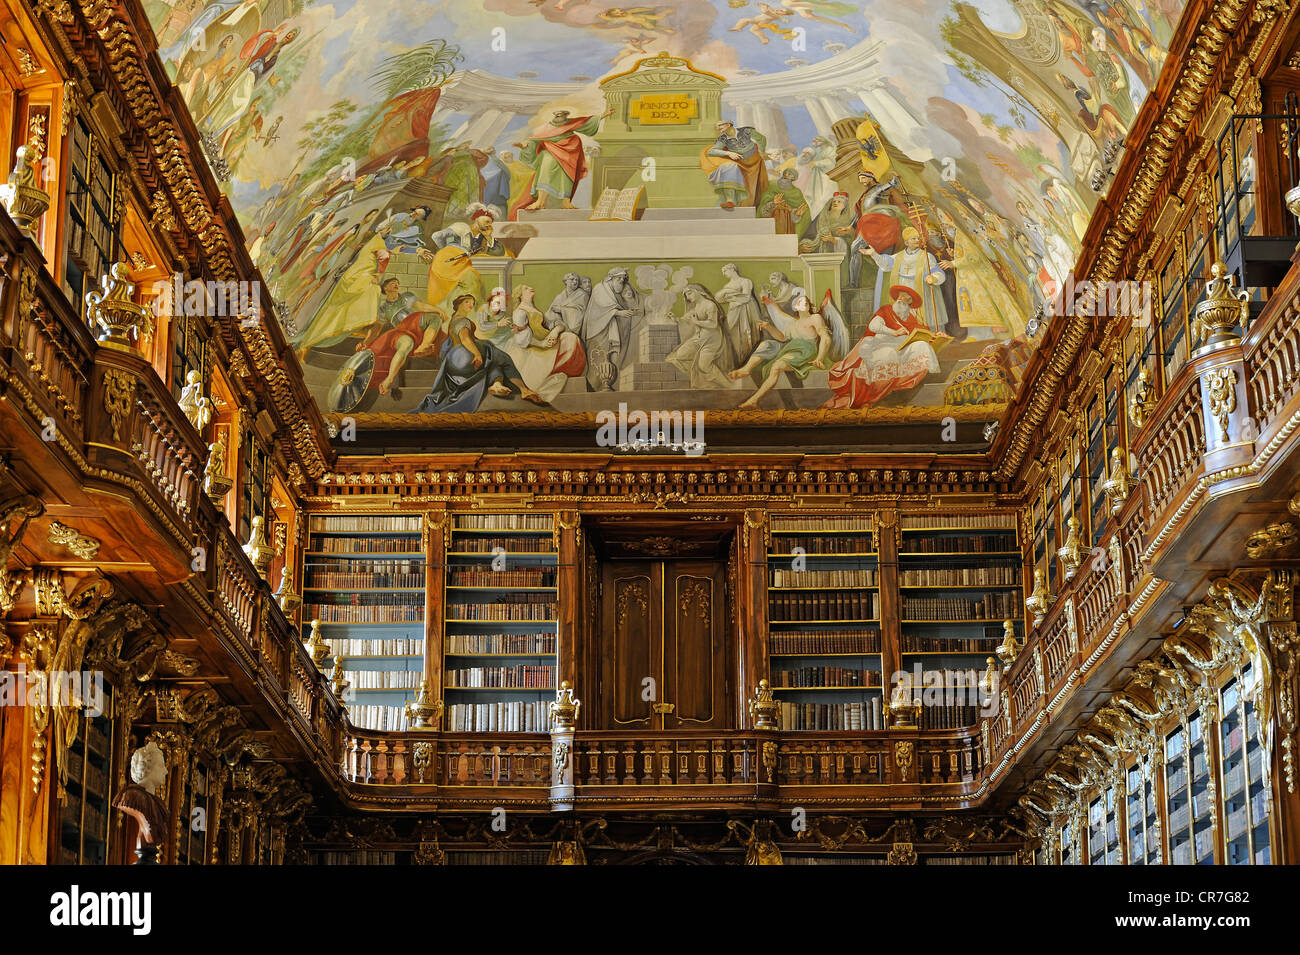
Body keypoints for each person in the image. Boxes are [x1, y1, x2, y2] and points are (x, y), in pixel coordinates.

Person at [413, 294, 544, 413]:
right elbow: (465, 338)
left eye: (472, 303)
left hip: (455, 362)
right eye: (467, 302)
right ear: (458, 304)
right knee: (502, 357)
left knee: (493, 363)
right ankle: (523, 389)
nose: (470, 305)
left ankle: (496, 384)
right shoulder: (461, 321)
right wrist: (476, 353)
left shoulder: (454, 319)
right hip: (464, 355)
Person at [822, 286, 942, 408]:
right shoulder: (886, 310)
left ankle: (904, 383)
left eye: (906, 298)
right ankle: (882, 391)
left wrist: (935, 335)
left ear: (910, 303)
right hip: (878, 346)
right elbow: (873, 326)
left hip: (901, 348)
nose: (901, 299)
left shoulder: (910, 317)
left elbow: (921, 330)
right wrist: (893, 332)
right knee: (890, 354)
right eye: (900, 296)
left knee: (922, 346)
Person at [731, 288, 834, 408]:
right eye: (800, 301)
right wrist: (768, 327)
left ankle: (754, 400)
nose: (804, 302)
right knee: (767, 344)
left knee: (777, 366)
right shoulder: (793, 324)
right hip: (790, 348)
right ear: (795, 306)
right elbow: (782, 338)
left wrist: (819, 358)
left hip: (805, 351)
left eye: (806, 301)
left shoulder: (815, 318)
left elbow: (825, 338)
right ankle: (746, 369)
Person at [356, 277, 446, 397]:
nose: (397, 285)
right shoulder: (383, 309)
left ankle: (423, 346)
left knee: (435, 318)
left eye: (398, 283)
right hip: (402, 331)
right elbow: (376, 329)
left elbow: (421, 307)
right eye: (393, 283)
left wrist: (438, 310)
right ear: (385, 288)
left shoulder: (406, 297)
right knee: (406, 344)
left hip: (415, 325)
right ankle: (390, 379)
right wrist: (366, 342)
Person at [512, 108, 613, 212]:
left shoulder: (570, 123)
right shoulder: (547, 127)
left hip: (569, 152)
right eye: (556, 115)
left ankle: (566, 202)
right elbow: (534, 139)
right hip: (551, 151)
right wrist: (524, 146)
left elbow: (585, 122)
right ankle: (540, 201)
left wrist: (603, 116)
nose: (558, 117)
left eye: (560, 115)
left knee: (567, 175)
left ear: (565, 116)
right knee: (547, 166)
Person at [501, 285, 586, 402]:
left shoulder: (534, 308)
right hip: (532, 347)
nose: (530, 288)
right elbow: (521, 339)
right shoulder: (519, 311)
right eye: (525, 288)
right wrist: (541, 344)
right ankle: (548, 377)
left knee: (570, 338)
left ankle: (556, 370)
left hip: (545, 341)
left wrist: (555, 332)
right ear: (520, 295)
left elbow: (553, 325)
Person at [862, 226, 950, 335]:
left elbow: (938, 273)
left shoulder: (927, 256)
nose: (917, 240)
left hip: (922, 290)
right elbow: (885, 265)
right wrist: (873, 254)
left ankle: (930, 337)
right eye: (913, 239)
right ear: (906, 242)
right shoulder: (899, 256)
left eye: (918, 238)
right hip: (904, 290)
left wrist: (934, 278)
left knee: (926, 318)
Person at [580, 267, 643, 390]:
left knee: (611, 360)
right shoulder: (600, 289)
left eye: (623, 278)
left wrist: (628, 312)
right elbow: (602, 308)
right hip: (598, 332)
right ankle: (596, 388)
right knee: (598, 362)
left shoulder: (615, 291)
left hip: (610, 331)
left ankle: (608, 385)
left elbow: (620, 307)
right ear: (610, 278)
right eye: (618, 278)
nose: (621, 281)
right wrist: (619, 313)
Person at [848, 169, 910, 287]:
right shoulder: (864, 196)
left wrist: (895, 178)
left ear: (871, 178)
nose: (861, 181)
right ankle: (853, 283)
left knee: (857, 247)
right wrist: (850, 226)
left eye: (864, 178)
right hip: (869, 221)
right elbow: (860, 212)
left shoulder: (878, 188)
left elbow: (891, 184)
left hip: (880, 220)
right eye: (860, 179)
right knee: (855, 248)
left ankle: (858, 283)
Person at [667, 284, 734, 390]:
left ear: (699, 291)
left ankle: (729, 386)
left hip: (712, 340)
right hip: (699, 338)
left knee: (704, 366)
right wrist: (675, 318)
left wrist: (697, 322)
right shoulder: (696, 307)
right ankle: (702, 380)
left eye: (689, 293)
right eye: (686, 296)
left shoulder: (710, 305)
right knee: (680, 355)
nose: (688, 297)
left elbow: (713, 324)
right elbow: (687, 320)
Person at [701, 120, 768, 210]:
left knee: (755, 190)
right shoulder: (723, 139)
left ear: (728, 124)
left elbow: (762, 139)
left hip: (755, 162)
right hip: (741, 164)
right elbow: (711, 151)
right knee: (738, 179)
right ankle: (731, 202)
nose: (718, 128)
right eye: (717, 127)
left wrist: (762, 151)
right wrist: (728, 153)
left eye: (720, 125)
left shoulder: (746, 131)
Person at [715, 263, 762, 370]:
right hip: (733, 310)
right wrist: (729, 293)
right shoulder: (727, 286)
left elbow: (746, 297)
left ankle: (747, 361)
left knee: (746, 332)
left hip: (746, 310)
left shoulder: (745, 281)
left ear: (732, 269)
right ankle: (736, 361)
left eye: (725, 271)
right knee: (731, 332)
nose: (724, 274)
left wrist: (731, 296)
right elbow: (719, 299)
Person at [758, 168, 810, 236]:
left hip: (788, 222)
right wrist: (773, 203)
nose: (786, 175)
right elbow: (763, 203)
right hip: (773, 219)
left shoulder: (796, 192)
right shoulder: (772, 186)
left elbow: (802, 210)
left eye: (789, 174)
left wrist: (796, 214)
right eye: (785, 173)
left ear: (794, 178)